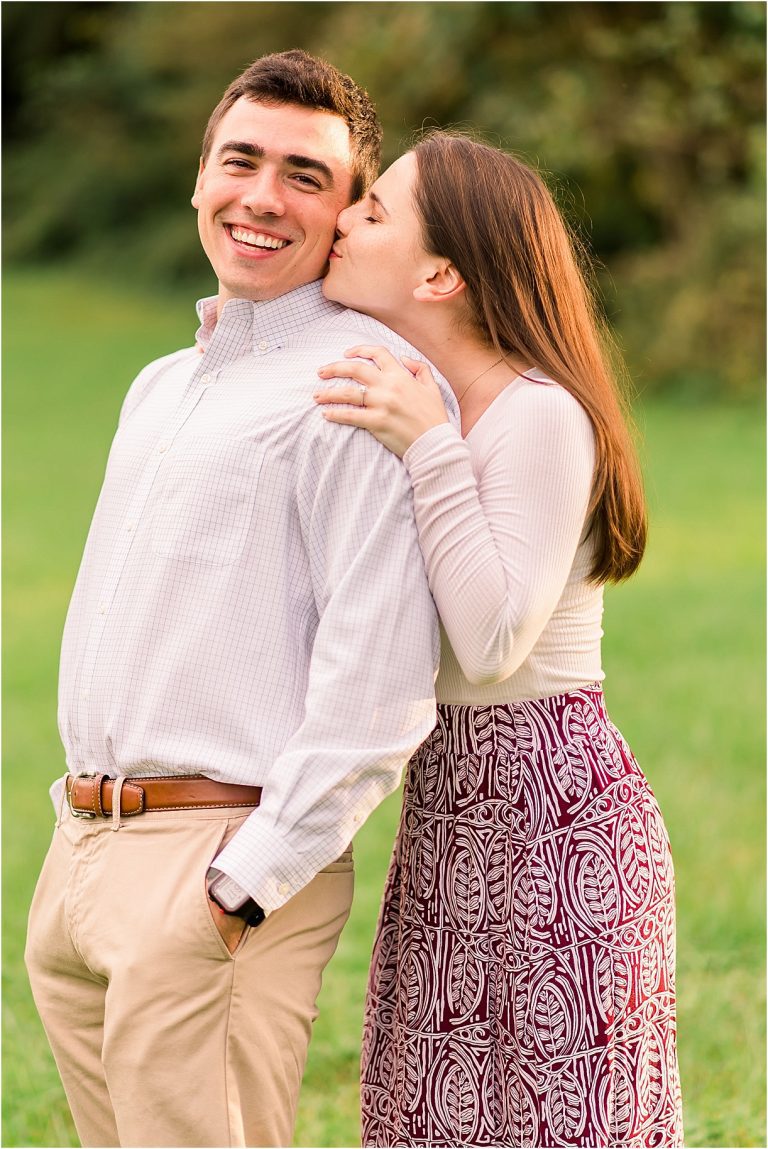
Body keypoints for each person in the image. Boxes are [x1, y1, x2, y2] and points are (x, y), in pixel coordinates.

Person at [24, 51, 454, 1149]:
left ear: (353, 211)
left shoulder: (359, 380)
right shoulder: (162, 382)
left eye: (305, 176)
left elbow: (379, 679)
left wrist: (241, 886)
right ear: (200, 177)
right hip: (85, 848)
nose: (263, 197)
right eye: (241, 161)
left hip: (220, 858)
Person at [313, 132, 683, 1147]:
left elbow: (491, 644)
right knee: (436, 1110)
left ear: (440, 274)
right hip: (456, 807)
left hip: (553, 812)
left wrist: (428, 446)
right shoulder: (424, 398)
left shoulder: (535, 414)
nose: (345, 218)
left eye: (376, 211)